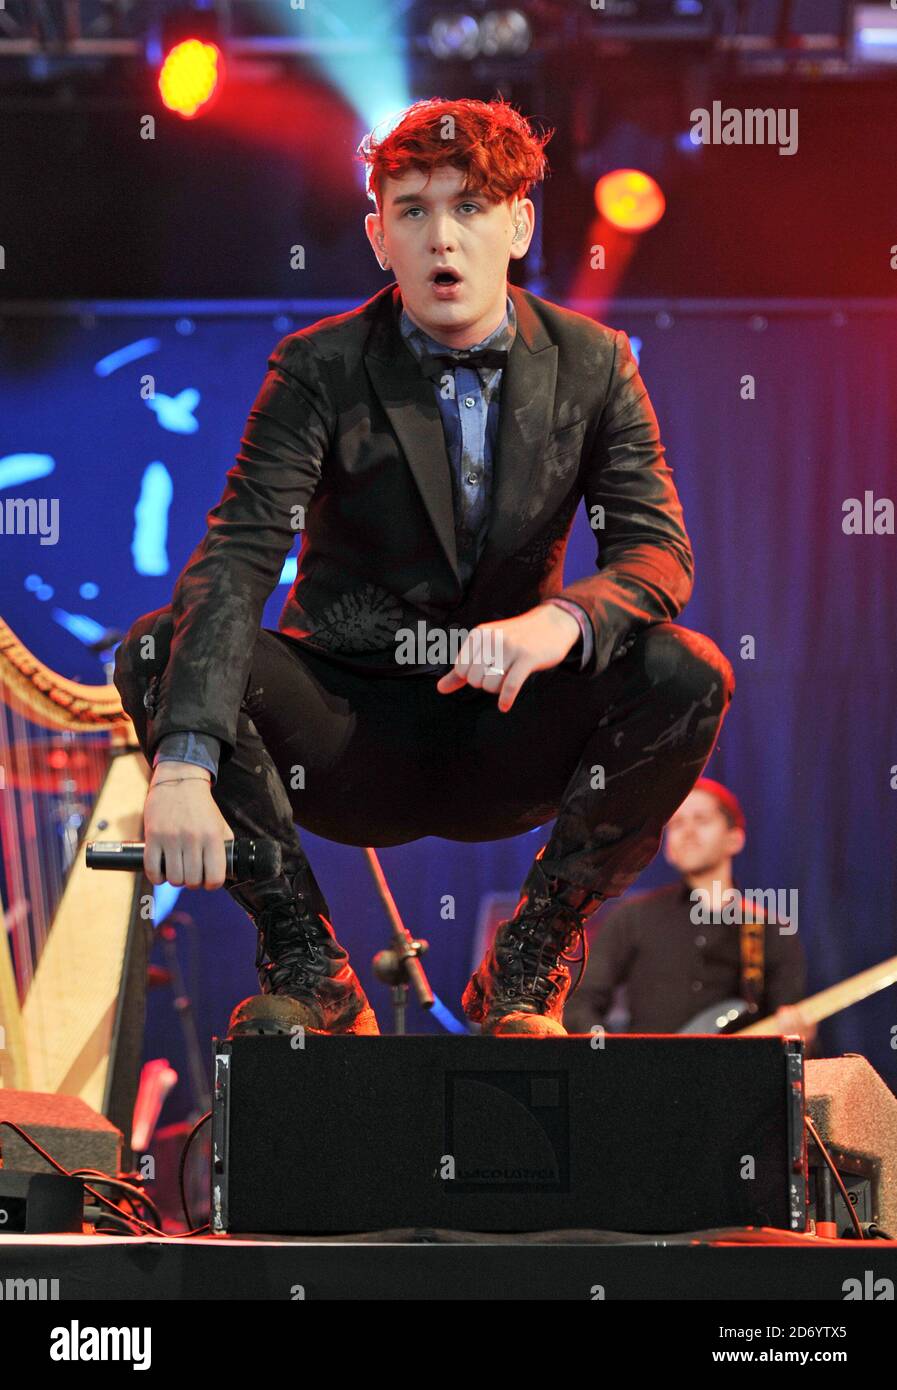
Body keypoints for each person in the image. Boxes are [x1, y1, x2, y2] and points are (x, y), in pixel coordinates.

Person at [113, 96, 736, 1039]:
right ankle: (307, 962)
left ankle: (526, 971)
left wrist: (556, 623)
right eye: (413, 210)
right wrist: (184, 764)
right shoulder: (317, 366)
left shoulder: (595, 360)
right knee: (163, 650)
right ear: (378, 236)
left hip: (505, 730)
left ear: (520, 223)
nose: (442, 237)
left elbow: (655, 550)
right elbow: (238, 557)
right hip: (348, 733)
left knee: (685, 670)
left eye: (470, 207)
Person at [563, 779, 817, 1046]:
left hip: (734, 1081)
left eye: (702, 819)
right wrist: (613, 1056)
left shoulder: (770, 929)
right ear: (668, 849)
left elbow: (791, 1030)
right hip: (647, 1079)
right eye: (678, 823)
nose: (688, 831)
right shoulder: (632, 918)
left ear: (734, 839)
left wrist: (803, 1038)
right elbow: (580, 1002)